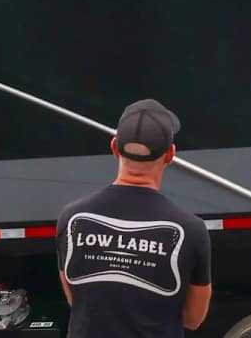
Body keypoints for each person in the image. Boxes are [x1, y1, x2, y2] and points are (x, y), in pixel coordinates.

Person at [58, 100, 212, 338]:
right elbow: (192, 319)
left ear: (114, 148)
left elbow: (77, 300)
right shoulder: (191, 229)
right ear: (171, 154)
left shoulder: (71, 218)